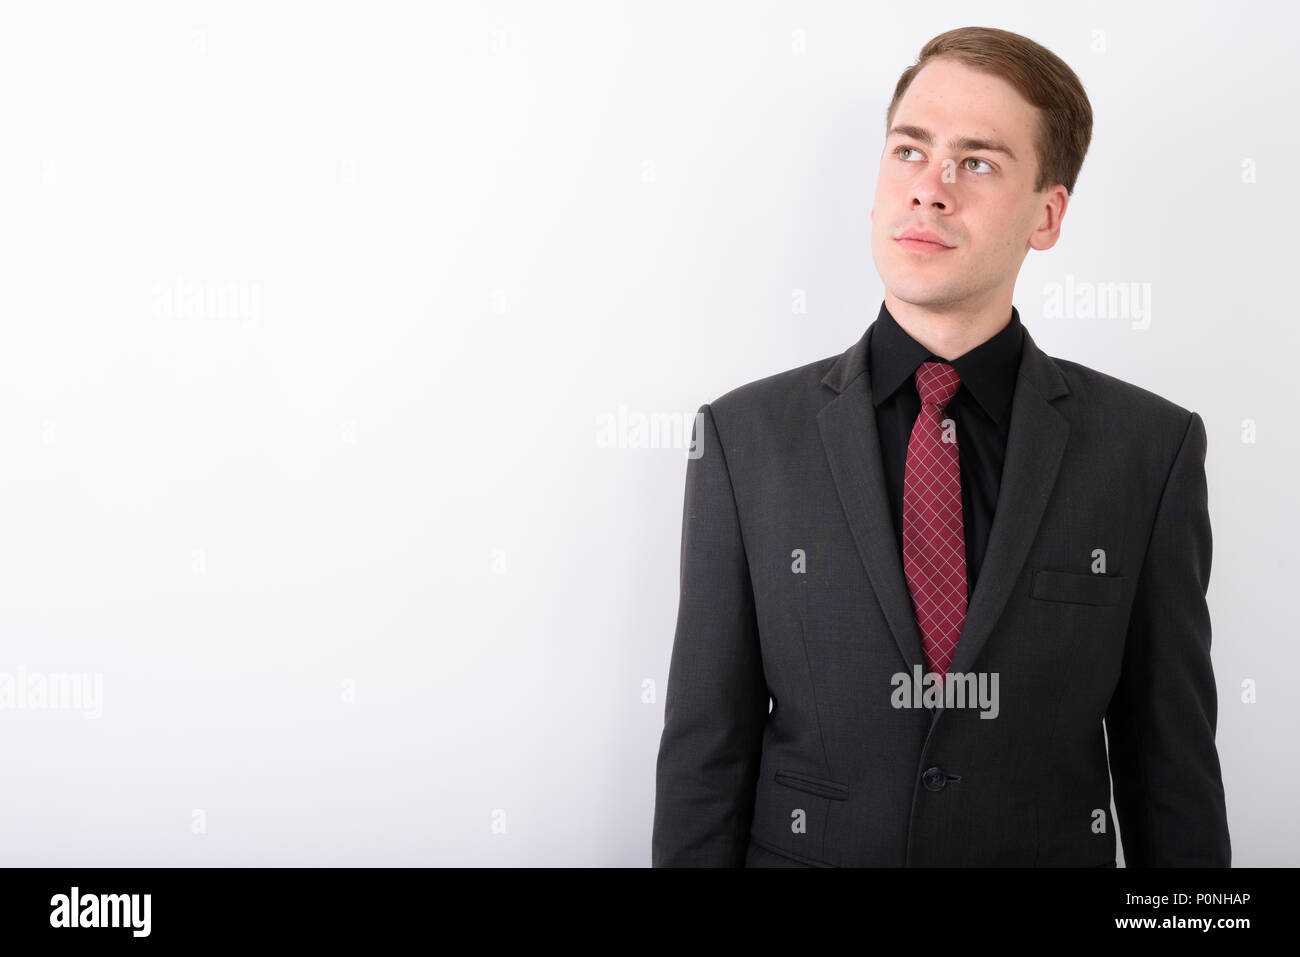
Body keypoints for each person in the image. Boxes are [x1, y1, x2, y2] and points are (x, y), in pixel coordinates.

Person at [651, 26, 1230, 867]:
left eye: (978, 163)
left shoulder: (1149, 451)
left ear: (1048, 215)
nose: (930, 190)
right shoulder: (743, 441)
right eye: (909, 152)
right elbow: (706, 754)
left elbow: (1170, 770)